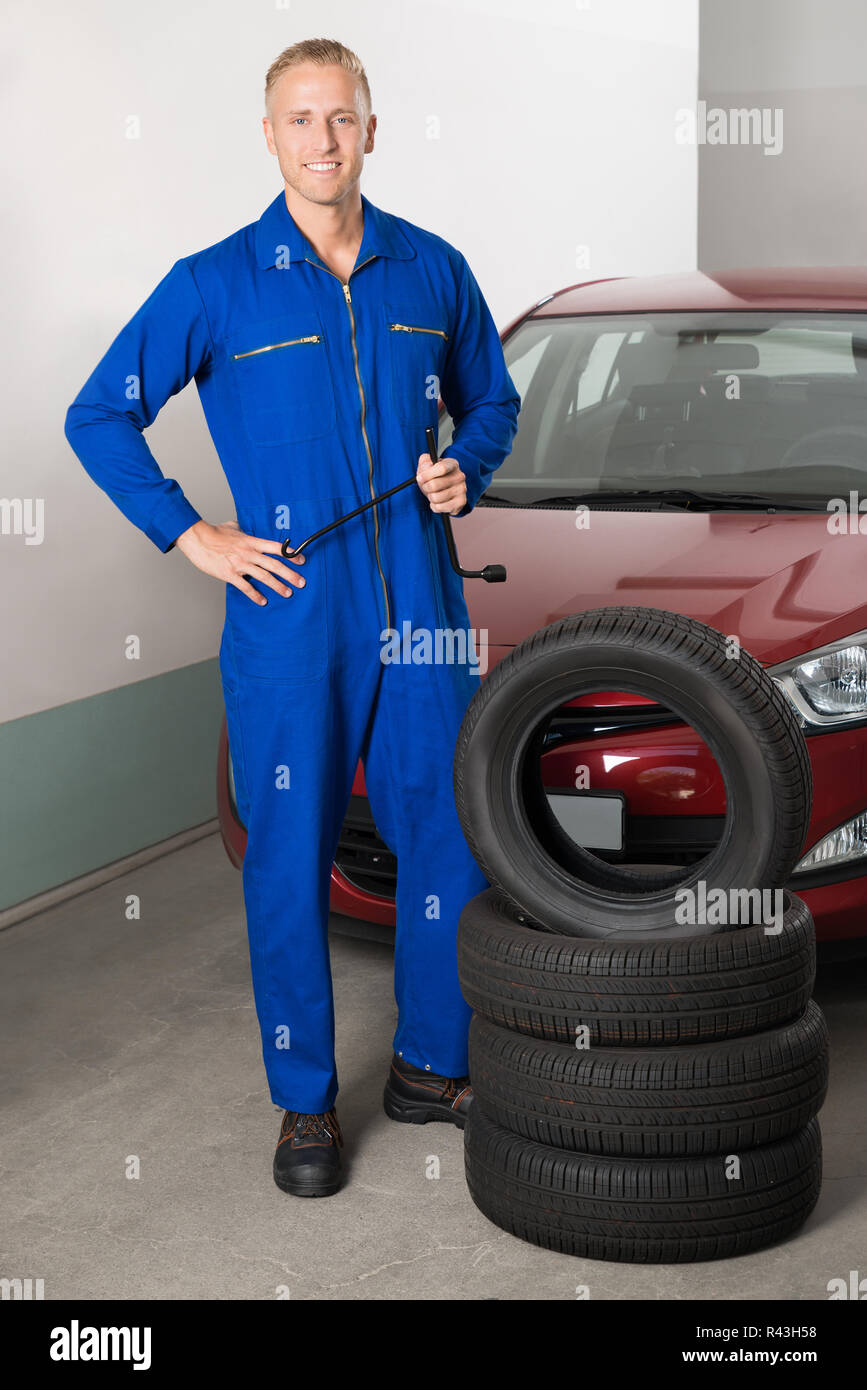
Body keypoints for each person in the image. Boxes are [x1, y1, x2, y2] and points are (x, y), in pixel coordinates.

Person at [64, 36, 521, 1198]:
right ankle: (304, 1103)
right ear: (268, 136)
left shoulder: (434, 269)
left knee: (448, 837)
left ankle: (430, 1066)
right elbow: (98, 415)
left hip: (419, 593)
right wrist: (191, 534)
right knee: (289, 858)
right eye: (301, 120)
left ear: (374, 128)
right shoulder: (215, 282)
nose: (324, 140)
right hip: (291, 607)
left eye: (343, 118)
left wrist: (466, 462)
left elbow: (495, 401)